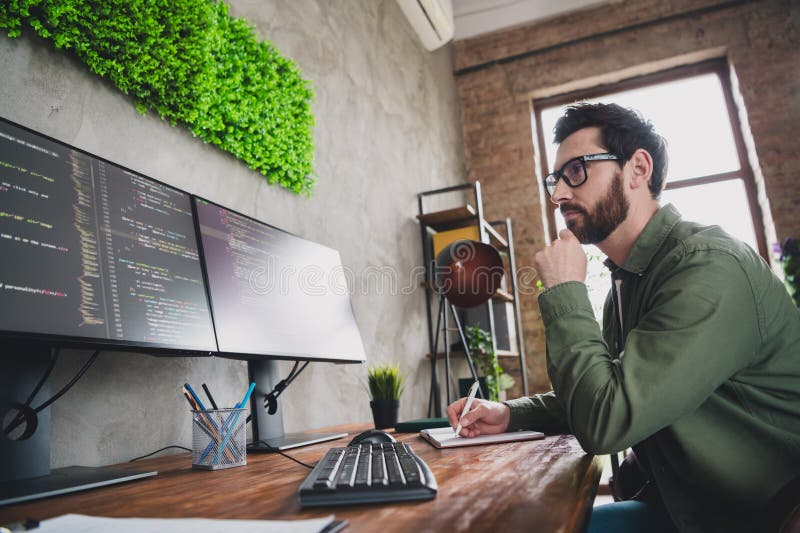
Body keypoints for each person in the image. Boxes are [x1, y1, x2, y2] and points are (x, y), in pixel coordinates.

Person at [446, 103, 800, 533]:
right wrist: (508, 413)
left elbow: (607, 420)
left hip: (760, 517)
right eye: (554, 180)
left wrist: (564, 291)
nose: (558, 195)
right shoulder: (627, 281)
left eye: (576, 171)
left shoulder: (706, 268)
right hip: (686, 508)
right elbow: (612, 387)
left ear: (637, 168)